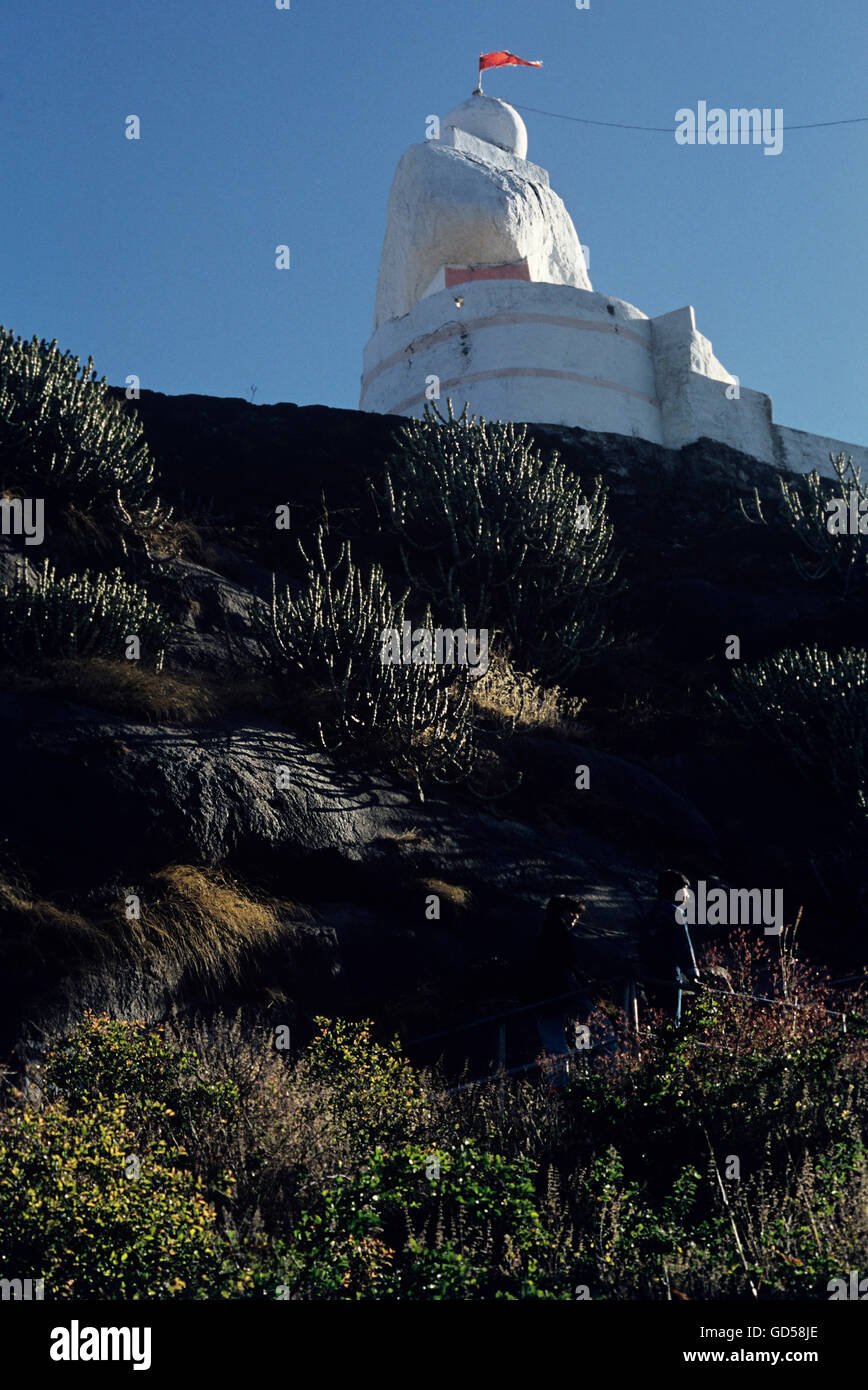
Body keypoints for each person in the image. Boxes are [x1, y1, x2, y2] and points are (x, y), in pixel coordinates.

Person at [530, 896, 593, 1087]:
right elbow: (570, 962)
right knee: (600, 1029)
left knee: (554, 1044)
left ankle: (559, 1086)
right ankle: (609, 1073)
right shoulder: (557, 931)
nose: (575, 917)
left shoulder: (544, 933)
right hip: (557, 993)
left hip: (543, 996)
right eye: (571, 912)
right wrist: (586, 980)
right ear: (559, 912)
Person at [637, 870, 702, 1026]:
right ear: (676, 889)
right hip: (669, 975)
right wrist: (693, 976)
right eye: (685, 889)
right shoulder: (676, 912)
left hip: (649, 975)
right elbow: (683, 946)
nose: (687, 895)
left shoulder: (650, 913)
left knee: (654, 1017)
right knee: (670, 1020)